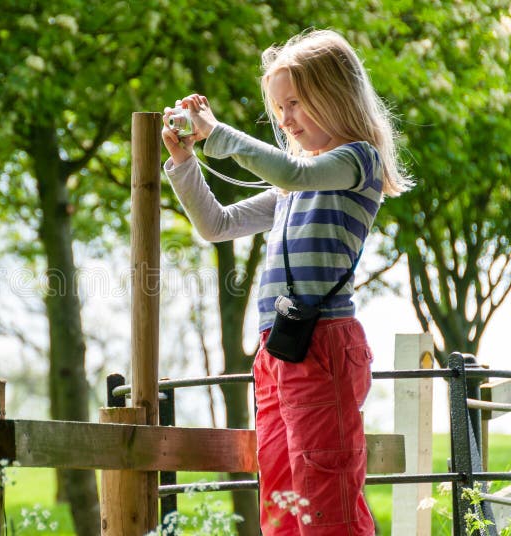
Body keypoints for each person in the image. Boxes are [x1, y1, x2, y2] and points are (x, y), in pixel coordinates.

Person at [161, 29, 412, 535]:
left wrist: (218, 133)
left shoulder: (358, 160)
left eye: (295, 103)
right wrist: (186, 161)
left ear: (334, 95)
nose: (285, 120)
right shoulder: (292, 187)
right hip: (276, 349)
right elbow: (218, 225)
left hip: (321, 345)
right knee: (281, 504)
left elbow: (296, 175)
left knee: (326, 506)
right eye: (278, 110)